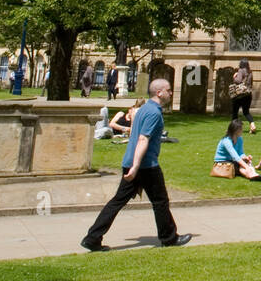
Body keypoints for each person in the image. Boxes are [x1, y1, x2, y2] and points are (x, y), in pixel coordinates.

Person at [80, 79, 190, 251]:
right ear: (159, 92)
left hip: (132, 162)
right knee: (160, 201)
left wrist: (132, 165)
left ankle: (92, 237)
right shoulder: (153, 113)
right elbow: (143, 138)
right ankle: (169, 238)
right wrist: (136, 167)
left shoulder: (144, 109)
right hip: (145, 165)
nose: (171, 93)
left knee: (118, 201)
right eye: (168, 90)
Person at [230, 59, 256, 134]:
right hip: (248, 94)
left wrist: (234, 76)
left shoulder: (241, 70)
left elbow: (238, 81)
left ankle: (233, 129)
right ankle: (252, 125)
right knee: (246, 112)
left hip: (239, 94)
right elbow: (251, 83)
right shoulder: (250, 72)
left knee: (235, 112)